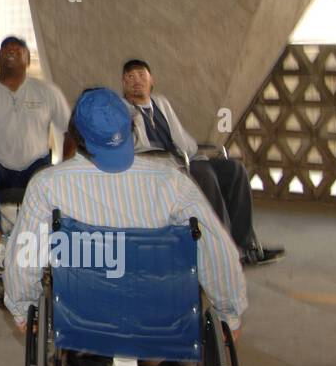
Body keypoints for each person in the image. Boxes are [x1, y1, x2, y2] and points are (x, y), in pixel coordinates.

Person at [3, 88, 246, 366]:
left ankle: (93, 356)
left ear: (76, 136)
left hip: (83, 317)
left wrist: (23, 308)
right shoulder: (173, 182)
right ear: (132, 130)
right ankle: (147, 362)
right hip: (161, 318)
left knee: (84, 286)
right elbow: (216, 250)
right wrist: (229, 311)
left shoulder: (47, 186)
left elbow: (25, 256)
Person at [120, 59, 284, 265]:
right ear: (124, 84)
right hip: (159, 166)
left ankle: (246, 245)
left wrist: (193, 153)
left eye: (141, 75)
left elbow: (182, 139)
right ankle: (224, 250)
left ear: (151, 80)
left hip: (183, 159)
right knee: (204, 174)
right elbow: (131, 146)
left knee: (234, 169)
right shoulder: (121, 110)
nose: (136, 81)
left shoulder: (161, 103)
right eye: (130, 77)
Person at [0, 36, 71, 281]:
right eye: (6, 49)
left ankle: (46, 256)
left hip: (34, 167)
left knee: (52, 180)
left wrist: (66, 168)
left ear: (28, 60)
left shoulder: (47, 92)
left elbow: (70, 132)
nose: (11, 51)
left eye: (18, 49)